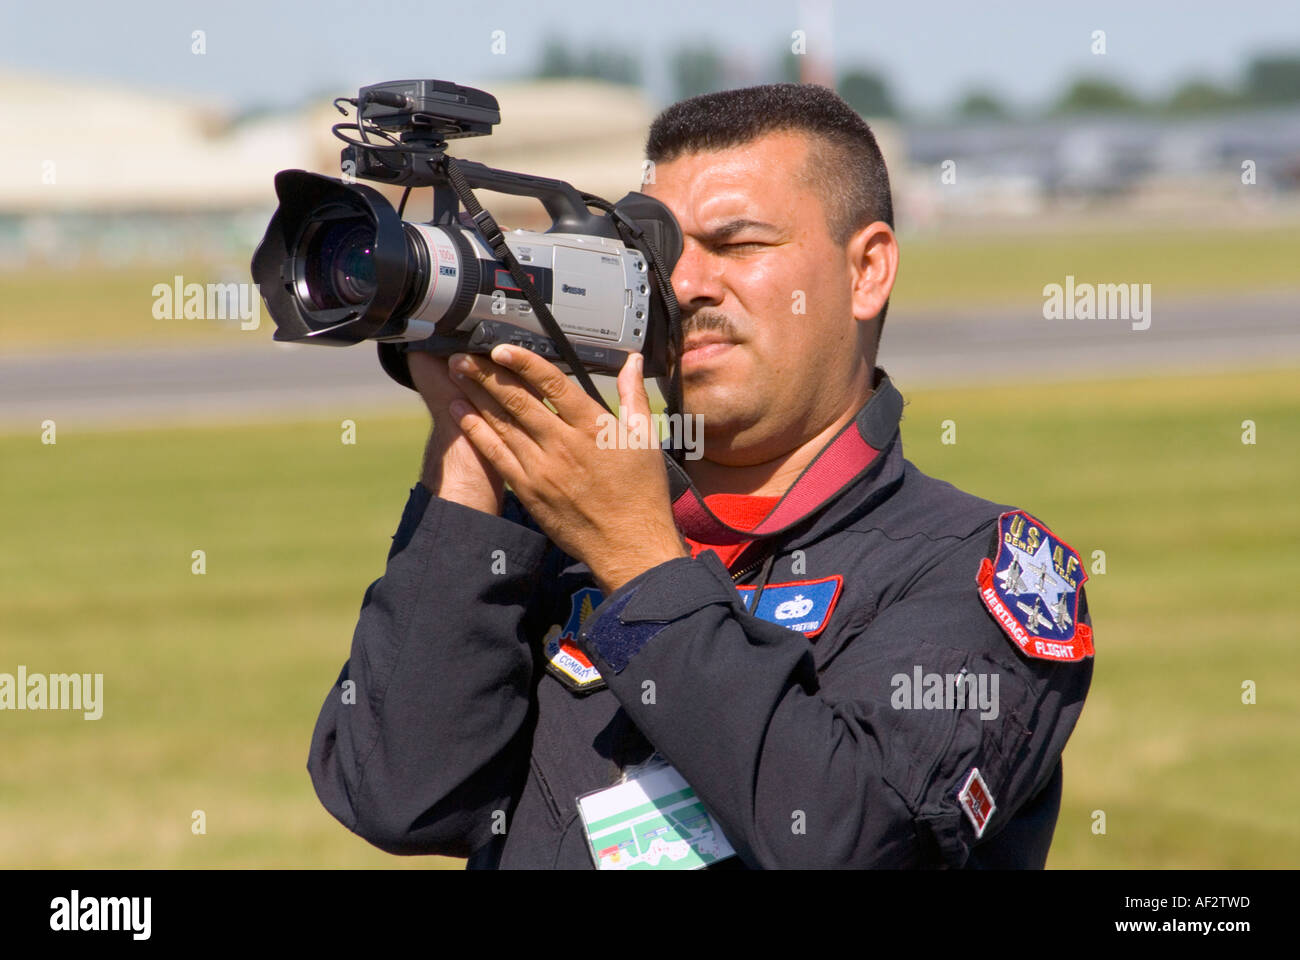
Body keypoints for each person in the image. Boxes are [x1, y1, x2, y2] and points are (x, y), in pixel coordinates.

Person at [307, 83, 1094, 869]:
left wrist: (640, 565)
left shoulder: (974, 567)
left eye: (738, 244)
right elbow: (401, 801)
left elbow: (853, 836)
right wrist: (472, 457)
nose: (685, 286)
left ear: (867, 270)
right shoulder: (554, 531)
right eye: (660, 252)